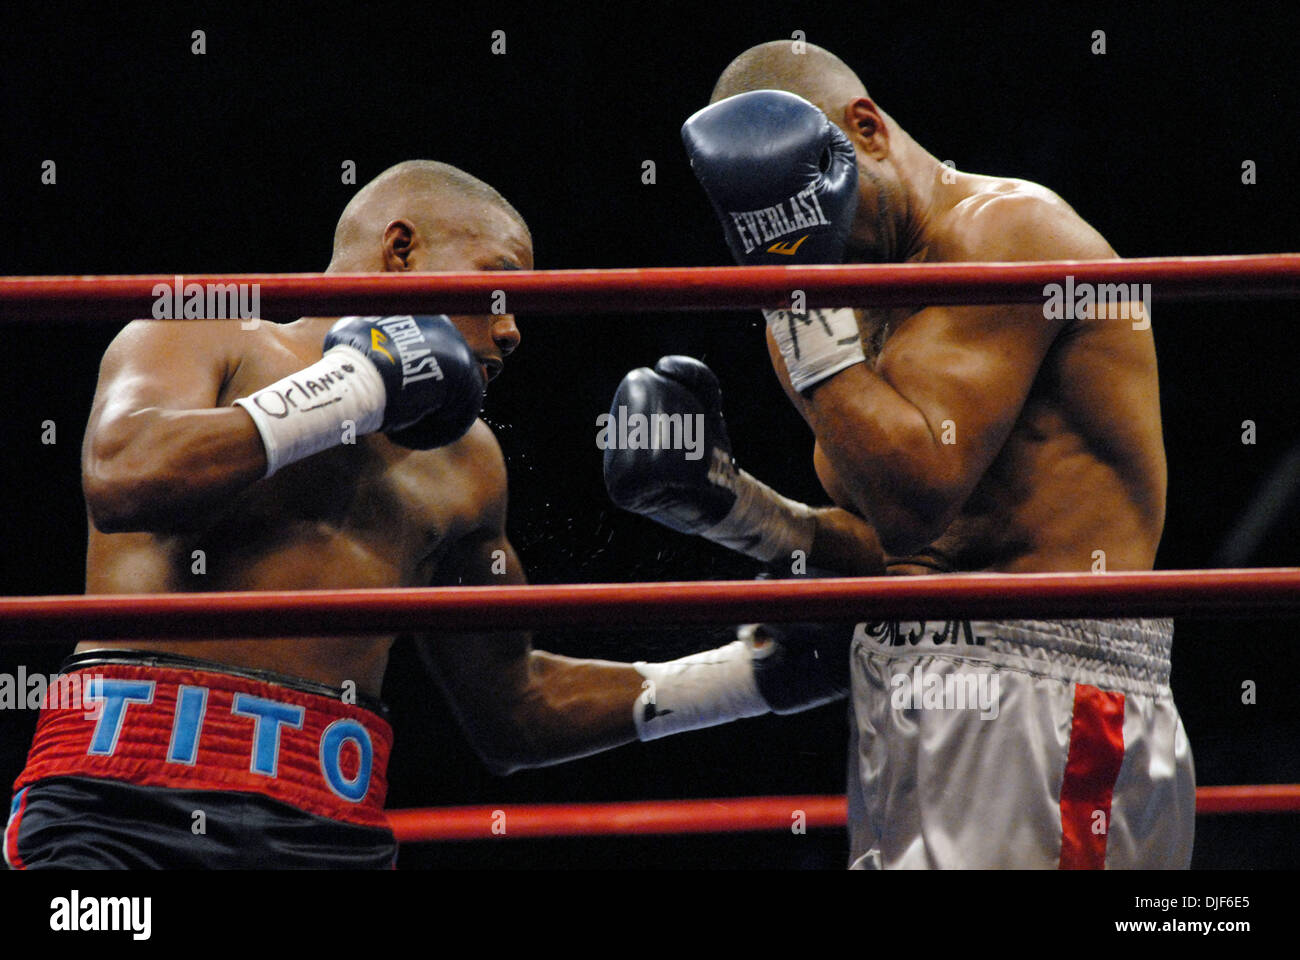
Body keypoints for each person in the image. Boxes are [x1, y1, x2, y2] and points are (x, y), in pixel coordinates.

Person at [4, 160, 847, 870]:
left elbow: (513, 706)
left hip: (322, 830)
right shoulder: (208, 337)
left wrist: (746, 680)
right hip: (118, 810)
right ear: (400, 250)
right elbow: (122, 476)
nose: (513, 330)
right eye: (494, 288)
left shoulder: (469, 464)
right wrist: (352, 389)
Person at [602, 41, 1195, 868]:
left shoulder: (1010, 232)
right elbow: (893, 545)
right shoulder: (814, 303)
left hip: (1051, 700)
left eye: (814, 218)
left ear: (868, 132)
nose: (818, 251)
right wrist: (732, 503)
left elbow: (920, 495)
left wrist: (799, 303)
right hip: (903, 697)